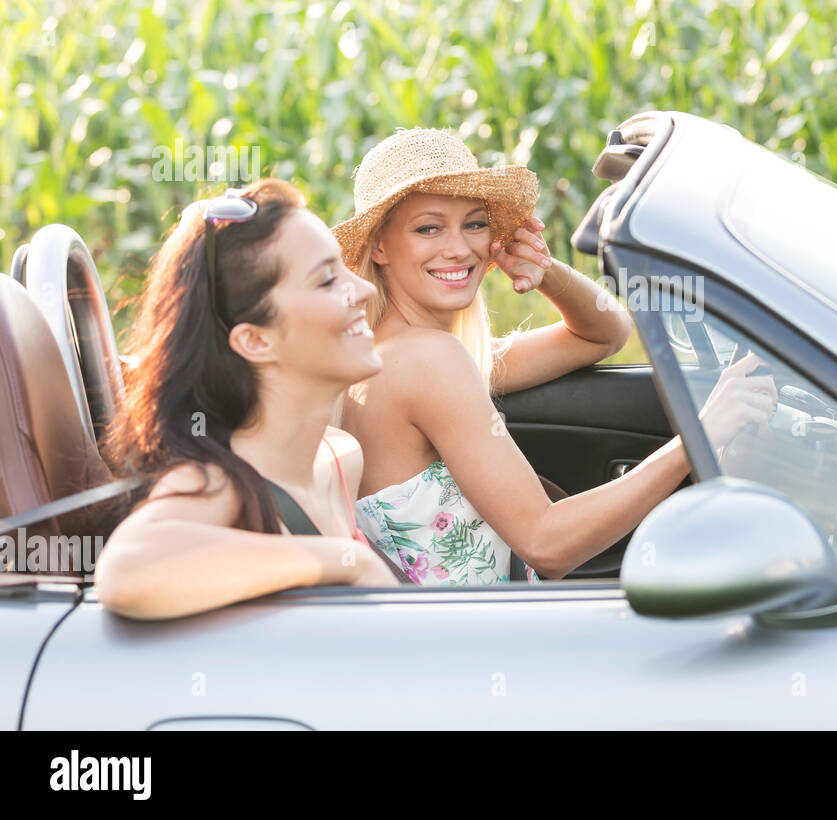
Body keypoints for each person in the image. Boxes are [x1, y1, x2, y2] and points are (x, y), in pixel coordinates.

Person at [332, 128, 777, 584]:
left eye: (475, 224)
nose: (459, 248)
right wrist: (696, 439)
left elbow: (604, 334)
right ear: (379, 246)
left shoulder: (392, 356)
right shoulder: (428, 361)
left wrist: (544, 272)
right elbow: (547, 544)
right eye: (428, 227)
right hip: (491, 641)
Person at [94, 179, 399, 620]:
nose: (365, 290)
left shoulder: (340, 455)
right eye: (328, 279)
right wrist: (347, 562)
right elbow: (126, 569)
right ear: (255, 340)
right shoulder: (219, 484)